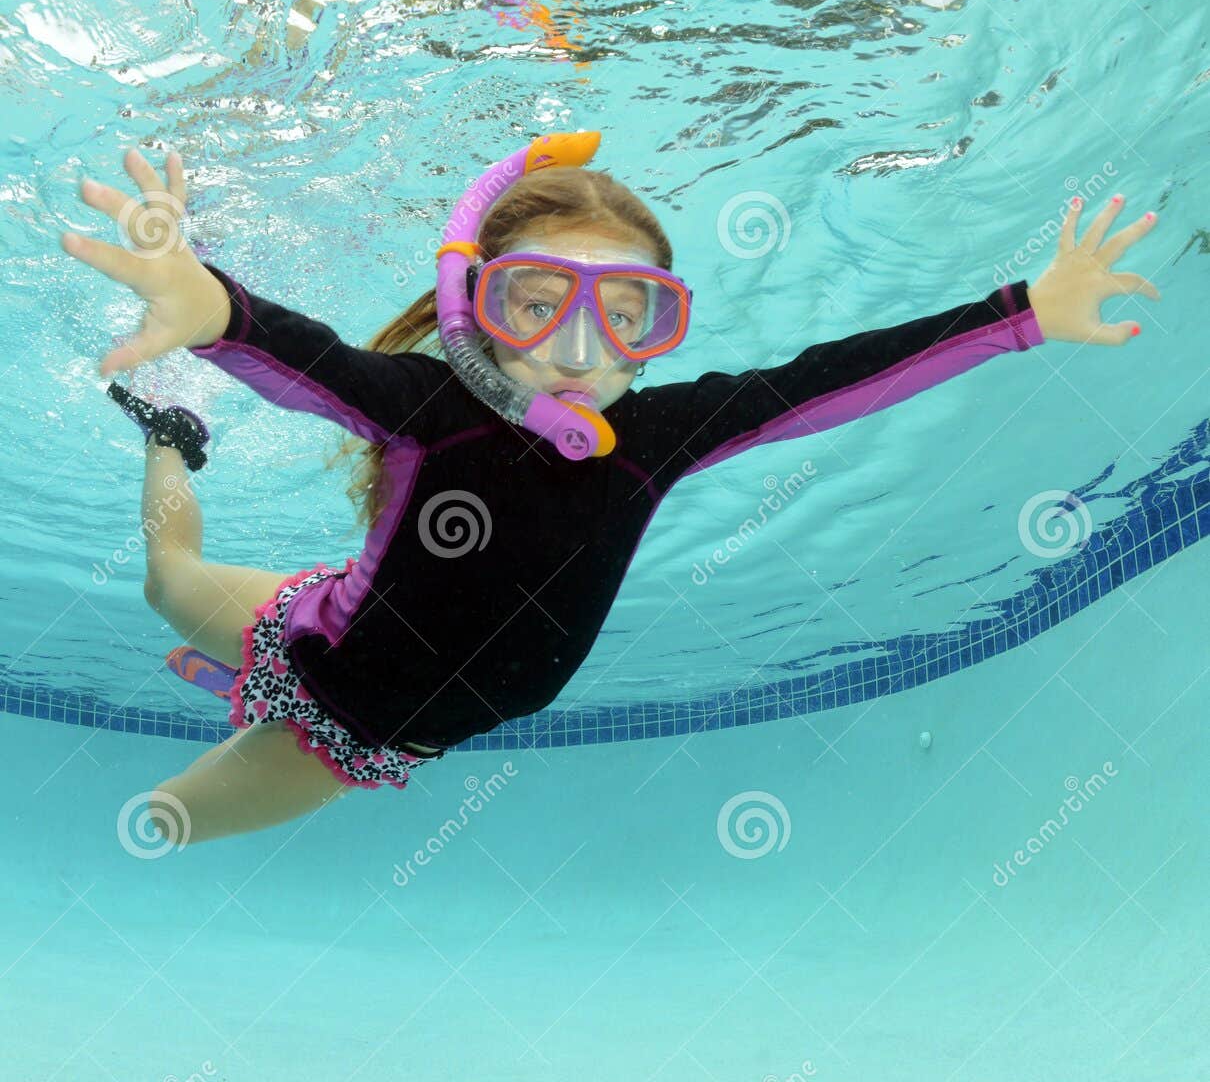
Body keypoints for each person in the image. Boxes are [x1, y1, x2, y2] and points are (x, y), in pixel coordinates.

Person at [60, 140, 1160, 847]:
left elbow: (829, 377)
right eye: (535, 303)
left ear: (654, 333)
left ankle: (234, 680)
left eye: (625, 312)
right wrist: (208, 305)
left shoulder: (656, 439)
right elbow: (308, 356)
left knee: (168, 811)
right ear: (473, 312)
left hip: (362, 738)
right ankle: (172, 437)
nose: (578, 346)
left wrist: (1023, 311)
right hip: (330, 685)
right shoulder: (433, 407)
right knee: (166, 620)